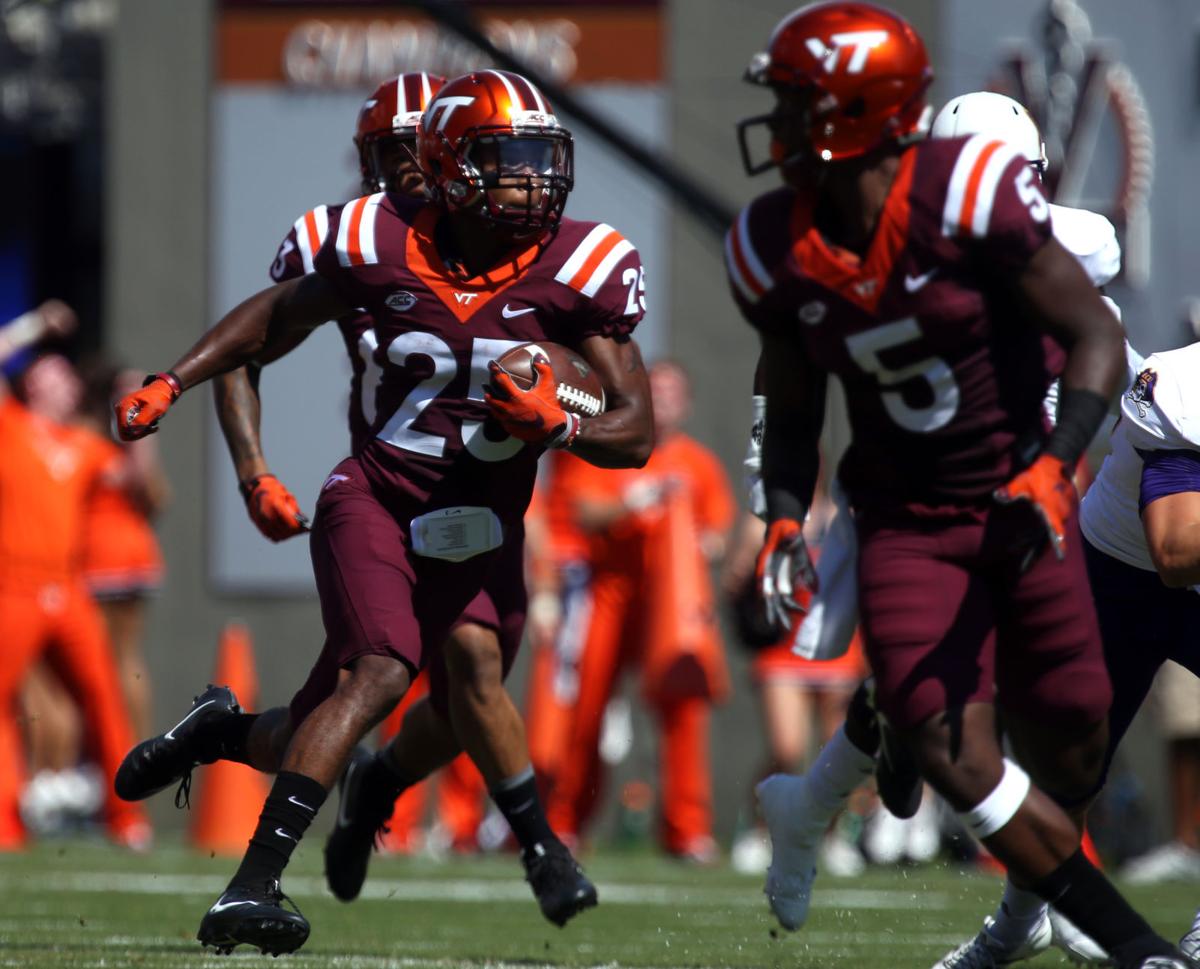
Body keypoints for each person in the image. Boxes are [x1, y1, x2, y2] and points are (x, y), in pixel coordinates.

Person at [112, 69, 653, 956]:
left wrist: (566, 419)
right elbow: (268, 322)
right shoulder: (373, 240)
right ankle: (253, 886)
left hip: (480, 525)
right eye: (504, 160)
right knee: (385, 673)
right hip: (375, 496)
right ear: (450, 168)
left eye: (535, 160)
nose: (530, 180)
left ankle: (222, 731)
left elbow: (633, 428)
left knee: (346, 708)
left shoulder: (577, 265)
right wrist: (178, 383)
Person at [726, 5, 1186, 968]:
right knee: (927, 704)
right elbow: (790, 379)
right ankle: (1107, 933)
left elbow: (1082, 278)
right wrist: (772, 508)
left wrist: (1050, 462)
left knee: (1060, 735)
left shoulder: (1013, 221)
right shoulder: (789, 238)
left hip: (1034, 494)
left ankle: (821, 800)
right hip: (902, 495)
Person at [211, 71, 493, 864]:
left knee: (472, 670)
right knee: (371, 682)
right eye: (393, 149)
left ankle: (527, 838)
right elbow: (246, 345)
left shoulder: (511, 237)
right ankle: (263, 868)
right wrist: (253, 470)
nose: (410, 164)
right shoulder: (347, 234)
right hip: (383, 487)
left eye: (424, 144)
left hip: (481, 490)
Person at [543, 361, 735, 861]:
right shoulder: (613, 446)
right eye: (657, 391)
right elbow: (583, 511)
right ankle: (565, 821)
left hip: (668, 602)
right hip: (610, 593)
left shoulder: (698, 462)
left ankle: (687, 829)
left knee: (682, 710)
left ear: (686, 403)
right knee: (586, 710)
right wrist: (632, 501)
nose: (665, 400)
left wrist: (704, 540)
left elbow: (719, 532)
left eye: (674, 392)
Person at [0, 302, 152, 851]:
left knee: (104, 697)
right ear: (33, 385)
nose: (64, 379)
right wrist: (35, 326)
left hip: (67, 589)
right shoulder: (10, 427)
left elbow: (138, 480)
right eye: (52, 371)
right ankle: (5, 824)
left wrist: (139, 414)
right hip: (13, 586)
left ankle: (126, 818)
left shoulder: (85, 444)